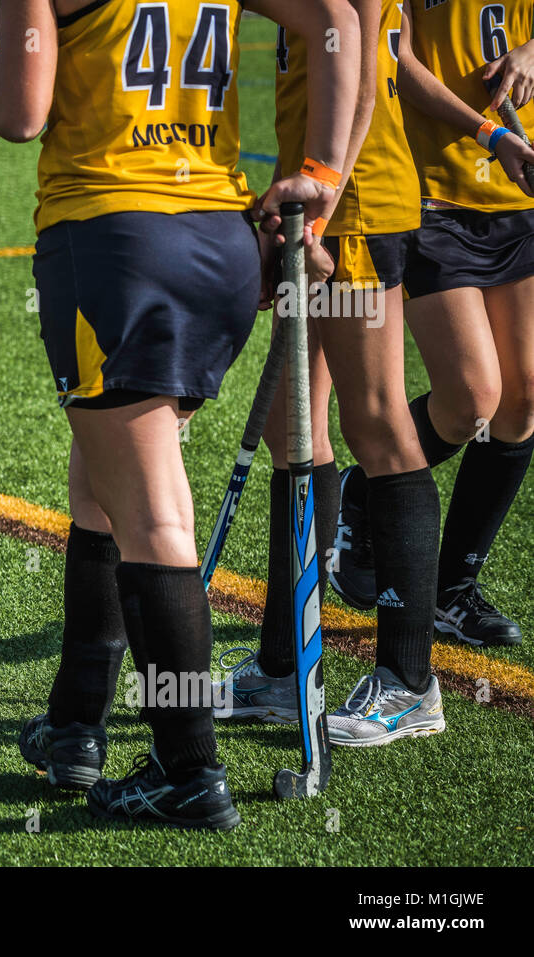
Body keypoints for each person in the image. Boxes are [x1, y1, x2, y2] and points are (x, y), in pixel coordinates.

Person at [0, 0, 359, 828]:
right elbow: (336, 15)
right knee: (104, 479)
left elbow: (20, 114)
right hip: (215, 238)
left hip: (112, 235)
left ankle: (188, 767)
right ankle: (76, 720)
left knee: (150, 508)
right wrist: (322, 178)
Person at [218, 0, 455, 747]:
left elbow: (356, 65)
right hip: (323, 202)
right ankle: (289, 667)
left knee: (377, 420)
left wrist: (323, 195)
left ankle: (410, 682)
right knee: (301, 423)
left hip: (352, 206)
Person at [334, 0, 534, 651]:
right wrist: (486, 132)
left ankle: (454, 591)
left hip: (519, 188)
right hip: (435, 189)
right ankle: (364, 489)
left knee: (524, 399)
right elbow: (396, 56)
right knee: (474, 396)